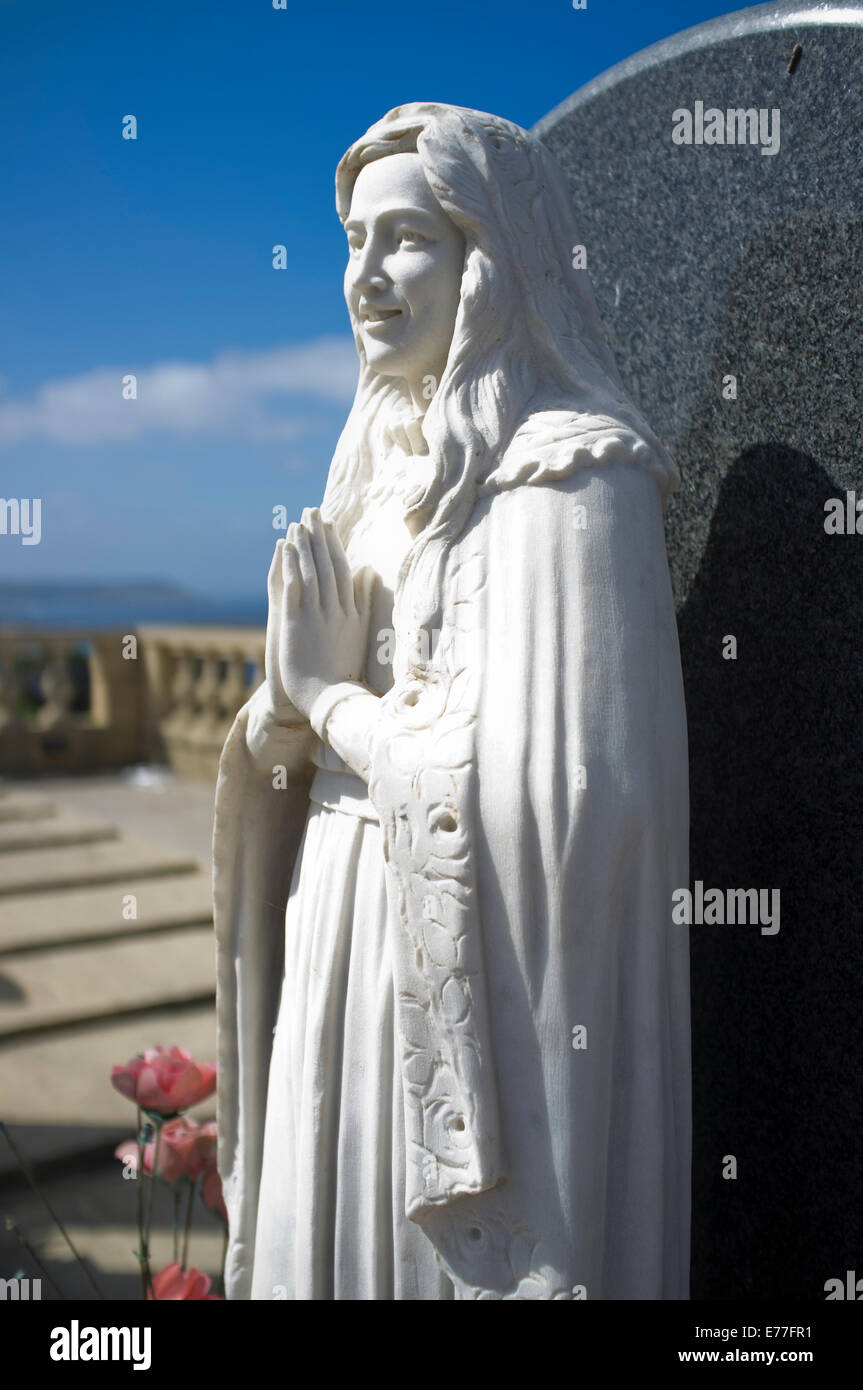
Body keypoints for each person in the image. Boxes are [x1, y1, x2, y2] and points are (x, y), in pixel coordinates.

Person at [214, 101, 691, 1300]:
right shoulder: (372, 482)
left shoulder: (576, 481)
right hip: (339, 928)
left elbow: (560, 803)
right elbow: (297, 721)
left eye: (406, 239)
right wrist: (281, 709)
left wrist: (328, 702)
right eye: (352, 241)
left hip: (468, 997)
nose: (365, 277)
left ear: (490, 262)